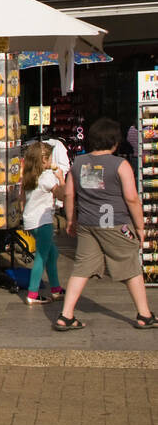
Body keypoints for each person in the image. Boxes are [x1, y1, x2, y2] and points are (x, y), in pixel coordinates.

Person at [56, 118, 156, 331]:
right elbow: (131, 198)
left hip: (87, 224)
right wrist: (139, 227)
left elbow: (69, 194)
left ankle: (66, 315)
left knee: (81, 268)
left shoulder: (79, 163)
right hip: (115, 224)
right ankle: (144, 314)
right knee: (130, 266)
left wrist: (71, 219)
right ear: (115, 142)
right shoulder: (121, 164)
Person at [21, 141, 64, 305]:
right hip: (43, 221)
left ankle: (56, 289)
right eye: (51, 157)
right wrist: (61, 179)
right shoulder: (46, 177)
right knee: (41, 256)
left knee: (53, 254)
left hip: (31, 221)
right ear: (44, 160)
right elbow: (61, 194)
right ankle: (32, 294)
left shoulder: (29, 175)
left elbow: (23, 198)